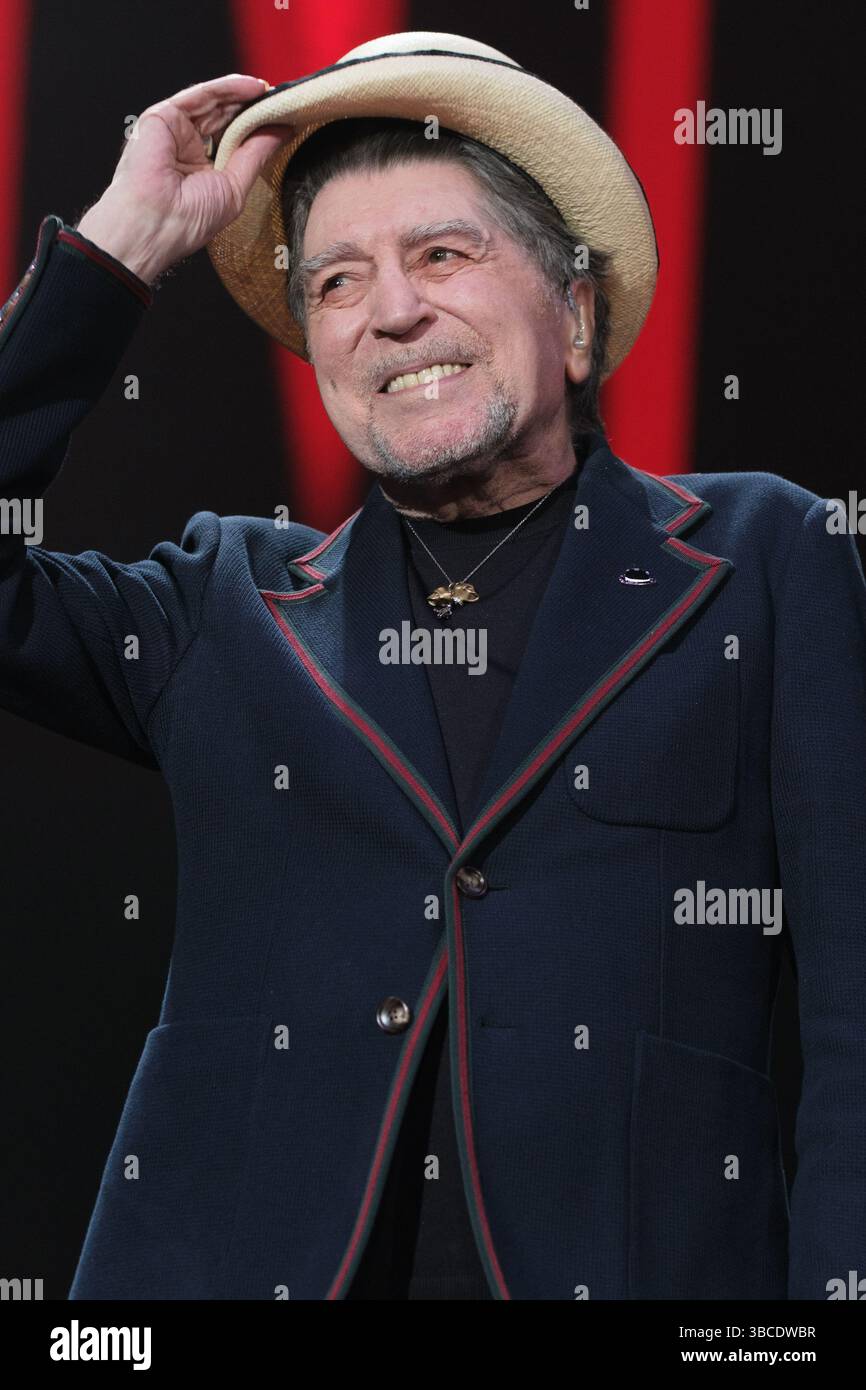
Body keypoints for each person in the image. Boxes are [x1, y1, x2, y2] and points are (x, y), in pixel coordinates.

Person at [1, 30, 864, 1302]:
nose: (391, 312)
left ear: (574, 314)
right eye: (336, 282)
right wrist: (121, 246)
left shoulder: (764, 559)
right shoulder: (219, 601)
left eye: (442, 256)